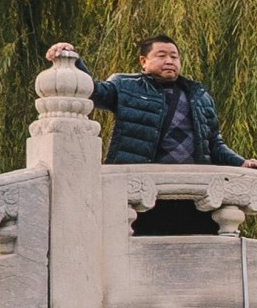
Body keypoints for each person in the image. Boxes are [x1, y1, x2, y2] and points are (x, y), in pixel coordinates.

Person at [67, 34, 241, 234]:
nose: (169, 61)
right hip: (142, 194)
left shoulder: (200, 97)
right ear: (144, 61)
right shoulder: (126, 86)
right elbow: (93, 91)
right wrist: (73, 61)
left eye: (174, 57)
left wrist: (242, 163)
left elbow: (214, 145)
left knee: (194, 253)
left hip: (192, 194)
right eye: (161, 55)